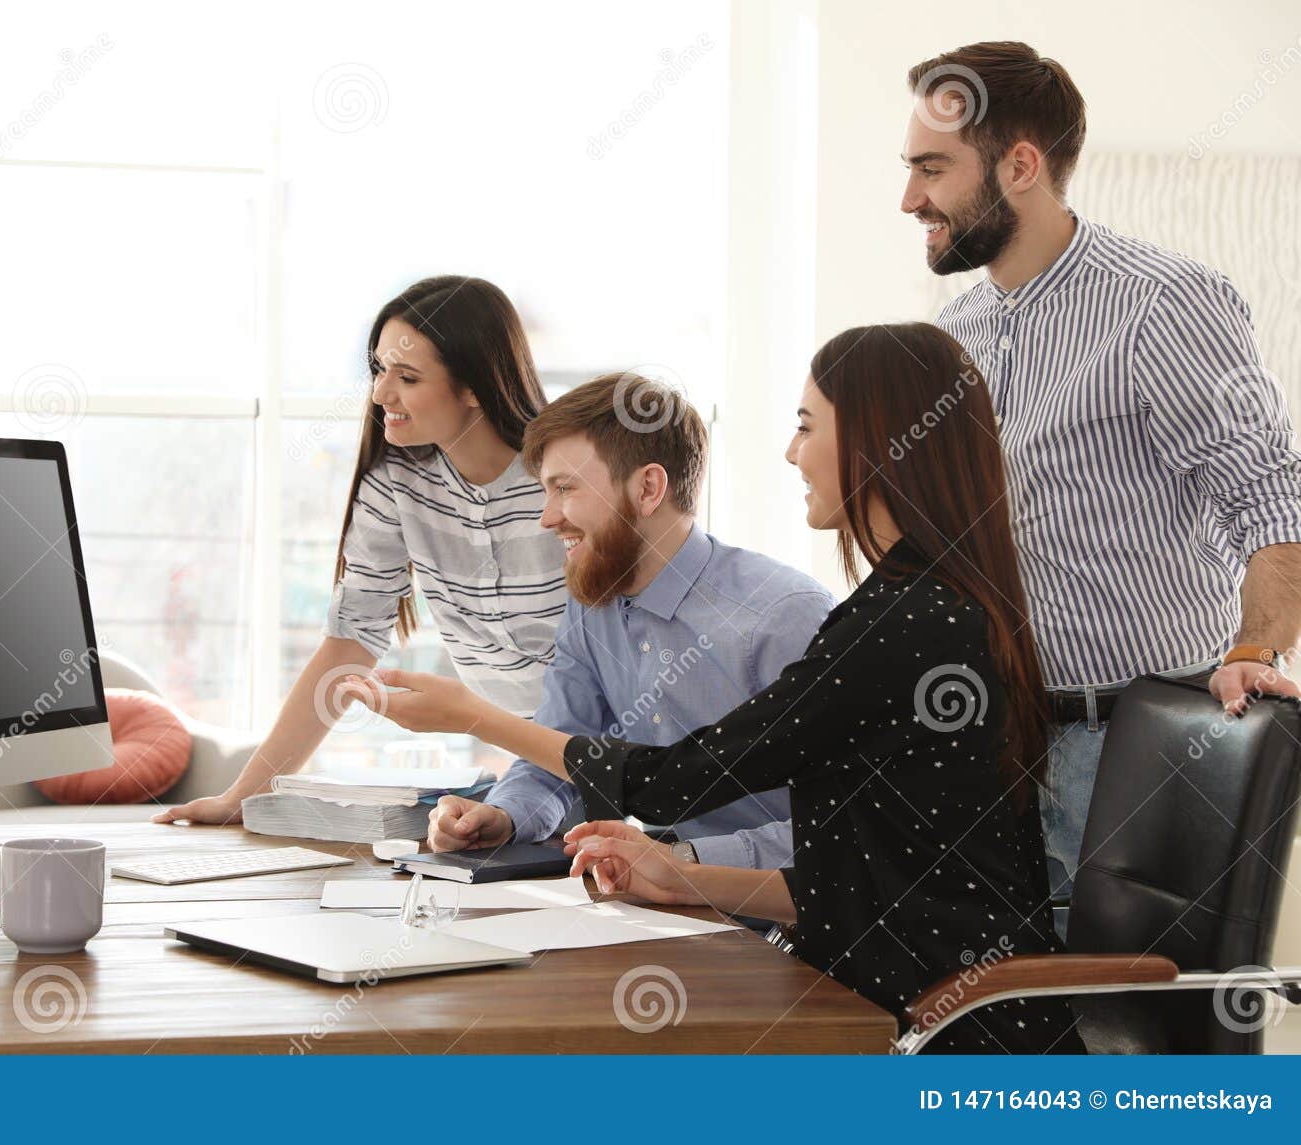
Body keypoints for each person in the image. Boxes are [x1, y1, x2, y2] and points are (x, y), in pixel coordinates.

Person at [345, 323, 1086, 1055]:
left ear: (876, 440)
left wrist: (475, 717)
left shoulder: (886, 626)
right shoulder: (906, 609)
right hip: (864, 987)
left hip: (943, 1032)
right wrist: (675, 878)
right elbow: (840, 873)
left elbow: (677, 781)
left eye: (807, 426)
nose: (791, 451)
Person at [900, 41, 1301, 887]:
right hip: (996, 743)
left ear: (1020, 166)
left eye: (932, 169)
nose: (911, 199)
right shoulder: (958, 330)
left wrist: (1258, 648)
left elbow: (1272, 503)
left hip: (1139, 744)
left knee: (1125, 979)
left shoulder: (1165, 304)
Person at [154, 276, 567, 825]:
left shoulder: (565, 474)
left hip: (610, 751)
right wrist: (240, 800)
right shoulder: (398, 479)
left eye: (407, 377)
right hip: (532, 760)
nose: (380, 394)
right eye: (379, 370)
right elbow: (350, 642)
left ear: (475, 385)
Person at [426, 371, 831, 872]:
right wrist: (503, 816)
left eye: (565, 489)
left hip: (786, 908)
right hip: (671, 894)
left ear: (648, 488)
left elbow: (848, 826)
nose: (547, 518)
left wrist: (686, 862)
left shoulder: (784, 615)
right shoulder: (591, 604)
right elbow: (560, 754)